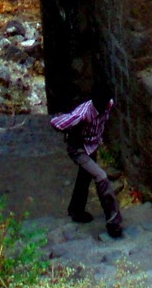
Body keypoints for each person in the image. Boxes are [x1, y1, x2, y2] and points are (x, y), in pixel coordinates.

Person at [50, 82, 123, 238]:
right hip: (79, 149)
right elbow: (56, 122)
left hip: (92, 146)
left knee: (85, 177)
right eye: (101, 105)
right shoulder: (82, 114)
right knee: (101, 177)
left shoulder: (108, 104)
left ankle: (76, 210)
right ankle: (113, 222)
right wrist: (69, 130)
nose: (104, 108)